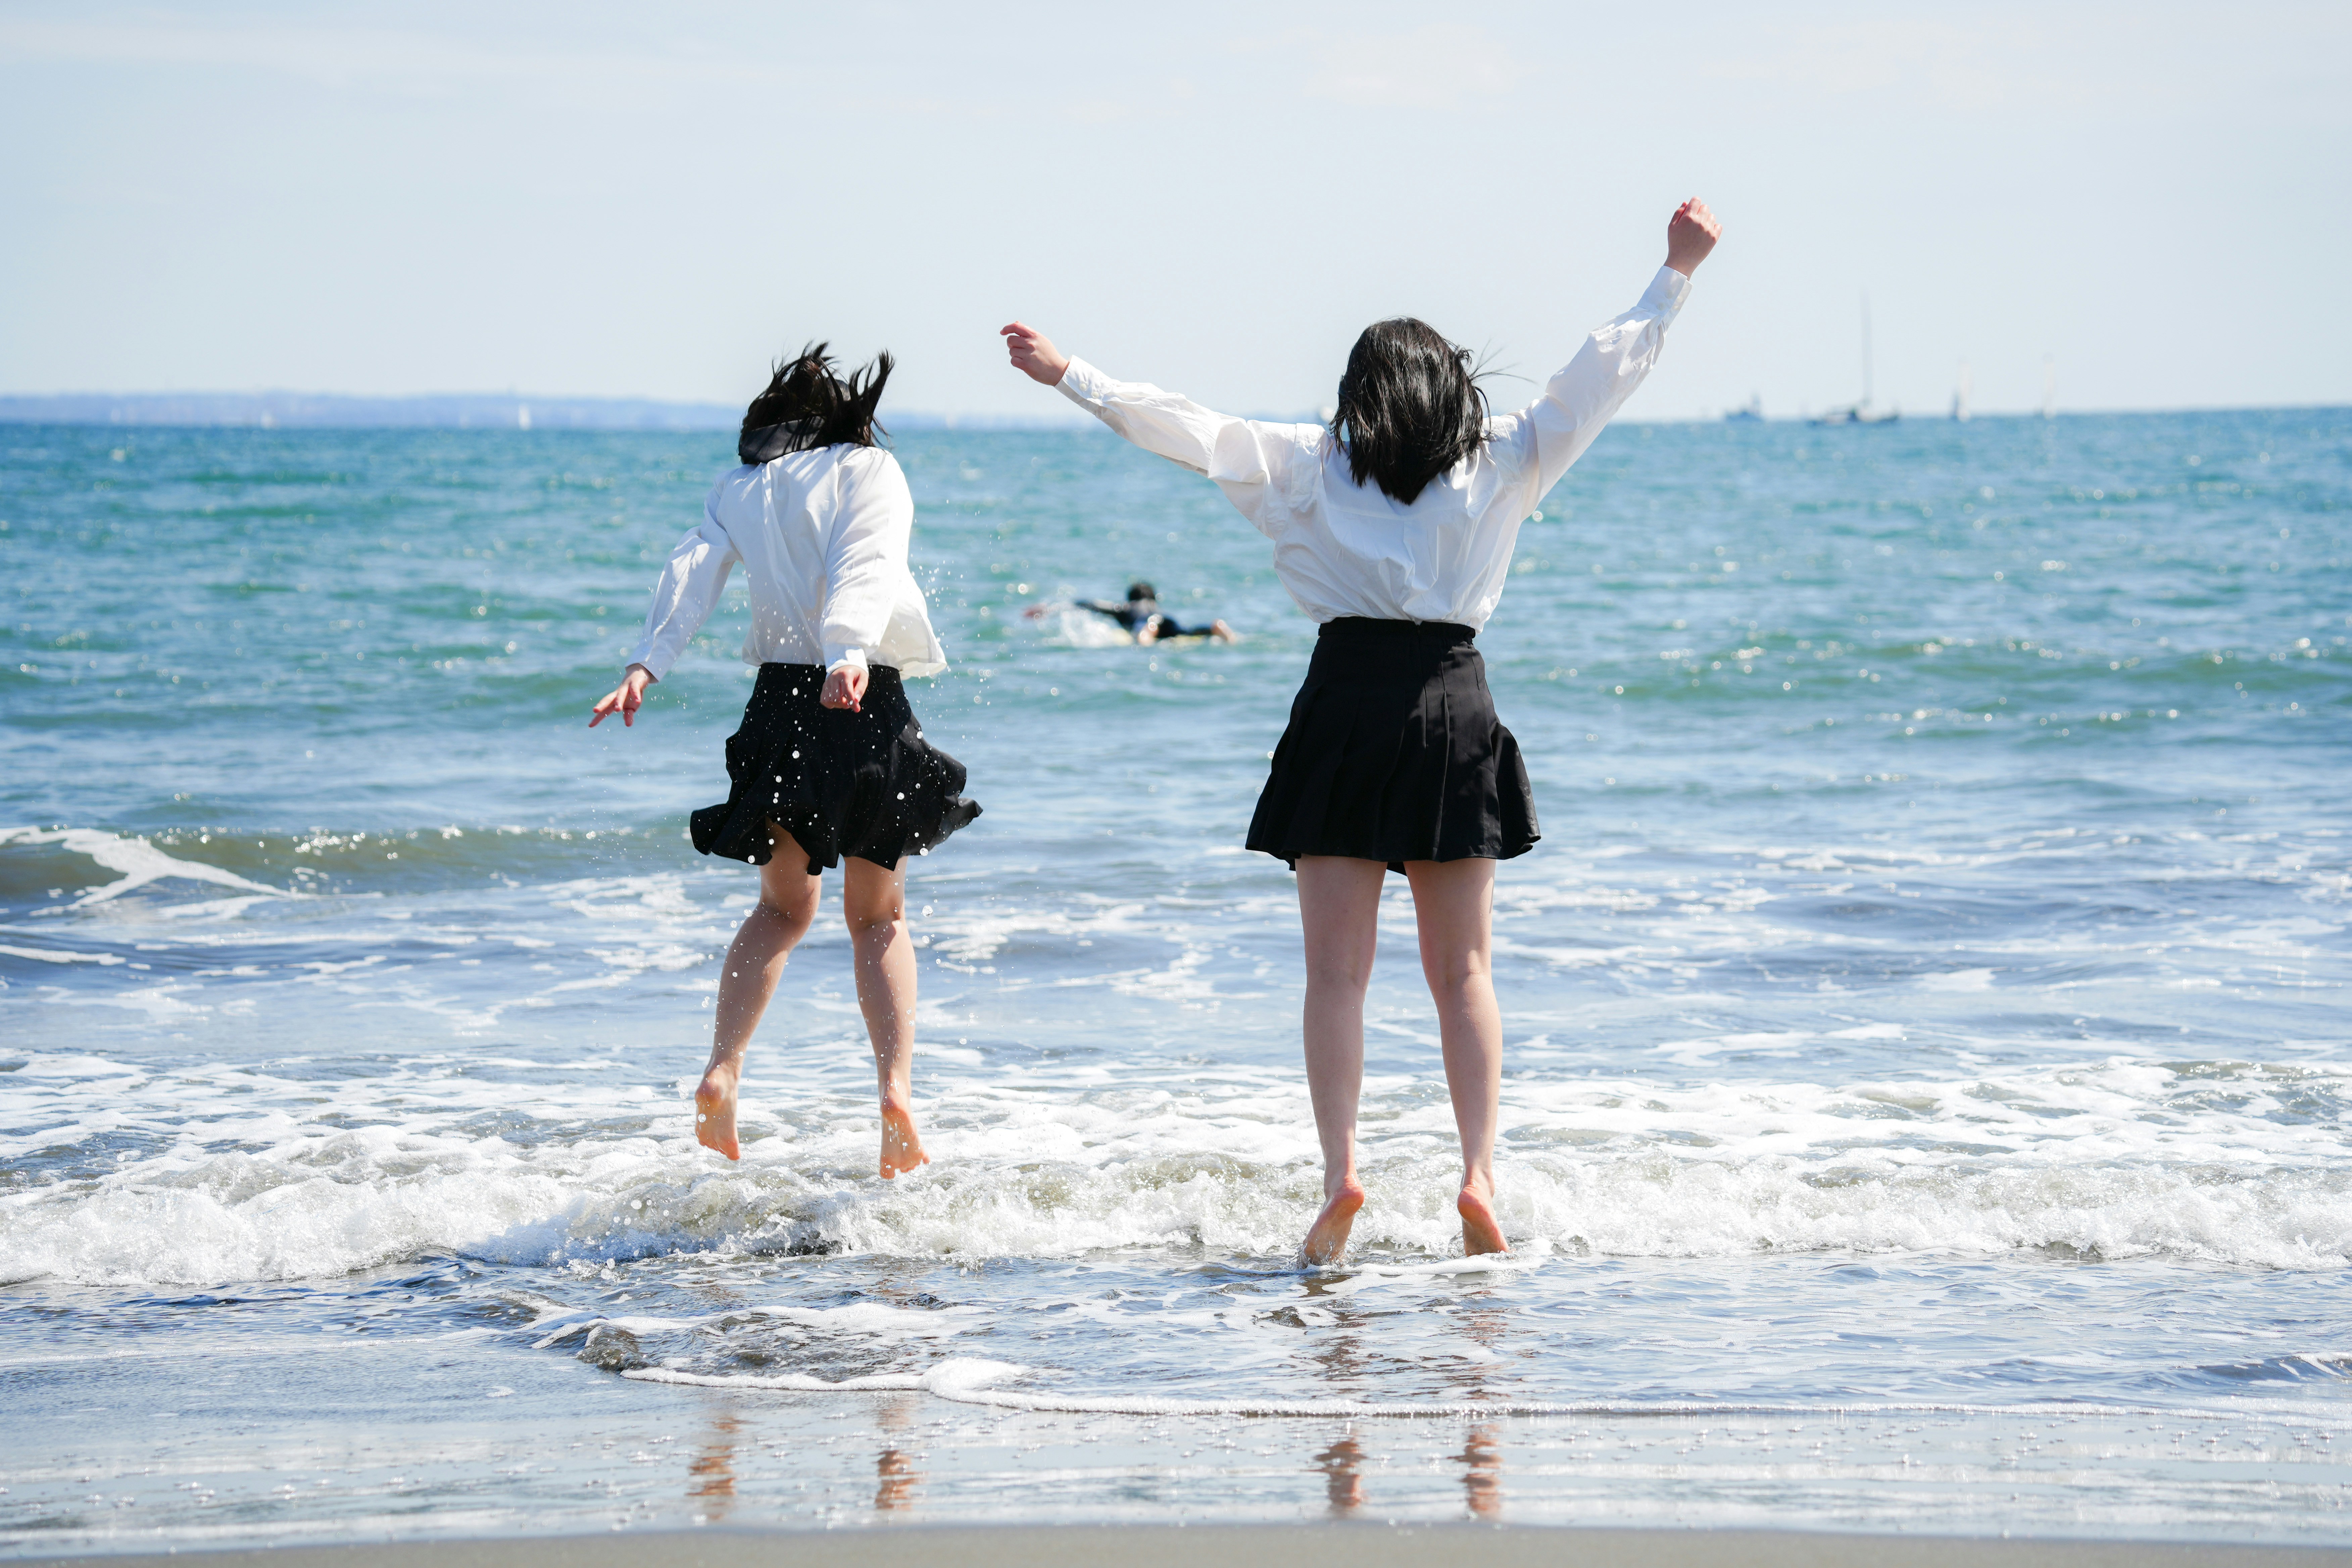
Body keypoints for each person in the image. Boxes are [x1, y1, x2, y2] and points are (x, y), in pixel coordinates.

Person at [1001, 198, 1722, 1262]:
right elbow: (1596, 379)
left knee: (1335, 975)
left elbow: (1186, 429)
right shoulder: (1504, 459)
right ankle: (1477, 1176)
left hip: (1341, 702)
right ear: (1452, 393)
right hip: (1451, 703)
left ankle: (1342, 1173)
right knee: (1462, 971)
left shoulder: (1305, 464)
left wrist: (1072, 375)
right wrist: (1673, 273)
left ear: (1357, 398)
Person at [590, 343, 981, 1177]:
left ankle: (724, 1069)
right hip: (857, 689)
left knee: (782, 908)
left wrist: (644, 664)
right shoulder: (869, 470)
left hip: (778, 701)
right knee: (877, 917)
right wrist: (848, 648)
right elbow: (865, 561)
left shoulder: (739, 488)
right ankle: (896, 1094)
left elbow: (690, 571)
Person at [1026, 581, 1236, 643]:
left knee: (1143, 633)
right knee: (1185, 632)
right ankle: (1214, 628)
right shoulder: (1157, 608)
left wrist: (1049, 610)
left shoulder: (1126, 609)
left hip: (1147, 624)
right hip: (1168, 621)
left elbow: (1089, 604)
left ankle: (1148, 634)